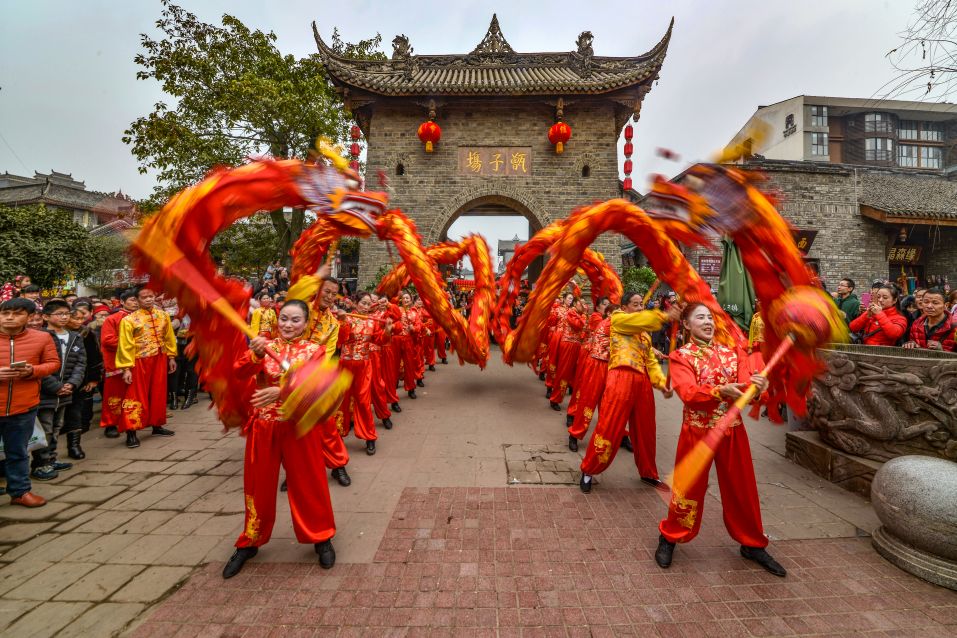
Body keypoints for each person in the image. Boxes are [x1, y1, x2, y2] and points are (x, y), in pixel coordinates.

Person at [655, 303, 785, 577]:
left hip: (732, 431)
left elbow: (745, 390)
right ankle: (670, 535)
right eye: (700, 317)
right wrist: (718, 391)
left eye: (710, 318)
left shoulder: (732, 353)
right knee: (688, 489)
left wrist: (758, 387)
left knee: (742, 490)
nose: (708, 322)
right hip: (697, 431)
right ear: (687, 325)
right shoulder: (680, 357)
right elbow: (689, 393)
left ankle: (751, 543)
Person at [223, 299, 337, 578]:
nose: (288, 324)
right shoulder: (265, 346)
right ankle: (250, 541)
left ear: (306, 323)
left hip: (299, 427)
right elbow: (238, 372)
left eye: (295, 320)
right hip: (264, 426)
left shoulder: (315, 351)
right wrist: (255, 356)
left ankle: (321, 537)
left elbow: (317, 387)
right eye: (284, 318)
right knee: (257, 485)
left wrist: (282, 392)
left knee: (310, 483)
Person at [579, 291, 679, 493]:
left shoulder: (643, 333)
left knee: (646, 430)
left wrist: (661, 383)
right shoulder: (618, 319)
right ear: (624, 308)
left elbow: (650, 361)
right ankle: (588, 469)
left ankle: (648, 472)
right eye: (635, 304)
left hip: (641, 382)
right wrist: (664, 315)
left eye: (641, 305)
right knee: (609, 427)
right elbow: (642, 320)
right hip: (620, 376)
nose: (640, 308)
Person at [0, 298, 61, 507]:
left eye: (16, 313)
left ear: (29, 317)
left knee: (17, 452)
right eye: (5, 313)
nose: (9, 317)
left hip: (23, 406)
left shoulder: (42, 338)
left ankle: (20, 492)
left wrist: (32, 371)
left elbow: (53, 364)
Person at [115, 287, 177, 448]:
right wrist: (126, 368)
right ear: (137, 300)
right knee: (135, 395)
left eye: (151, 296)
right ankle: (131, 431)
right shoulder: (129, 320)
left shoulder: (163, 316)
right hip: (139, 361)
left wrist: (171, 357)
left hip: (159, 358)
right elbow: (125, 345)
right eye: (144, 297)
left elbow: (169, 337)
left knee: (158, 392)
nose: (149, 299)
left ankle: (157, 425)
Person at [33, 300, 86, 481]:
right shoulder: (39, 336)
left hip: (66, 392)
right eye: (59, 314)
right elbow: (36, 365)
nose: (64, 317)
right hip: (46, 392)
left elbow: (81, 363)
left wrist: (72, 384)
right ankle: (40, 464)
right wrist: (56, 387)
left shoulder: (75, 337)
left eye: (66, 313)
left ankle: (51, 458)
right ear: (46, 317)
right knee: (45, 428)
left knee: (57, 426)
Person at [335, 293, 394, 455]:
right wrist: (342, 321)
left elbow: (379, 341)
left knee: (363, 400)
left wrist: (387, 331)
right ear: (355, 303)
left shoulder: (372, 322)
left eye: (368, 304)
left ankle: (369, 437)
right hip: (345, 365)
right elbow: (341, 339)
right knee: (342, 401)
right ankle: (339, 433)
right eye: (363, 303)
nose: (366, 307)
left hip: (364, 365)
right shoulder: (346, 318)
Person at [567, 301, 615, 451]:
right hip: (597, 364)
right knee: (588, 401)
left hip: (612, 367)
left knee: (611, 405)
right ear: (608, 313)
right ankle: (575, 434)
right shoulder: (604, 321)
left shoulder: (622, 324)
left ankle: (618, 435)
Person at [100, 290, 138, 438]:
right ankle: (110, 423)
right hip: (117, 363)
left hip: (138, 362)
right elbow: (107, 340)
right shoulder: (113, 319)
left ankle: (131, 420)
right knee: (114, 395)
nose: (135, 303)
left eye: (136, 300)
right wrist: (134, 343)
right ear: (122, 301)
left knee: (133, 394)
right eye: (132, 300)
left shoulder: (141, 318)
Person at [549, 297, 586, 410]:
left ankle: (570, 395)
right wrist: (584, 316)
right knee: (563, 372)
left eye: (585, 303)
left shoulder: (579, 313)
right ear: (575, 303)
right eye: (582, 303)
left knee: (575, 373)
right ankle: (555, 399)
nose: (585, 306)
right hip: (568, 344)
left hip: (577, 345)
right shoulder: (571, 312)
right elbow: (579, 325)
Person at [903, 288, 955, 352]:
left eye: (935, 303)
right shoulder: (916, 324)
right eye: (926, 302)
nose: (929, 306)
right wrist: (911, 344)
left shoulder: (954, 327)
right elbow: (913, 343)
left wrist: (942, 351)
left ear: (946, 305)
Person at [393, 292, 422, 399]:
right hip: (396, 340)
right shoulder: (397, 310)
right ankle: (393, 385)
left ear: (410, 300)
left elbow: (419, 326)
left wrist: (413, 329)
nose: (405, 300)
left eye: (407, 298)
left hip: (408, 340)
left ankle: (410, 388)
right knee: (394, 364)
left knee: (409, 365)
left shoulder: (415, 313)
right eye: (403, 298)